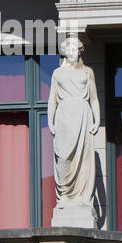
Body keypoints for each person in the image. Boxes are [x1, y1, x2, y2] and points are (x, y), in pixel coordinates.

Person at [47, 37, 100, 220]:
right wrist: (50, 121)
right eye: (67, 49)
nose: (70, 53)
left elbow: (93, 97)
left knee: (84, 159)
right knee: (63, 157)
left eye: (73, 49)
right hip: (64, 116)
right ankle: (65, 196)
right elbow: (52, 99)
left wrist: (97, 119)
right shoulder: (57, 73)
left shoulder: (88, 72)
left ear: (79, 51)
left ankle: (82, 198)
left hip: (83, 115)